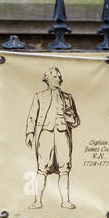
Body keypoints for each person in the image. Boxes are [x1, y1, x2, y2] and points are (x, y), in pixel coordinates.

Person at [25, 66, 80, 209]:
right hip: (45, 135)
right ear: (47, 79)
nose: (59, 79)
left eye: (59, 77)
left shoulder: (68, 98)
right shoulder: (39, 96)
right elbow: (32, 116)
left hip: (62, 134)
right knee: (41, 169)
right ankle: (38, 201)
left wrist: (70, 116)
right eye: (56, 76)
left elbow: (76, 122)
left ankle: (65, 201)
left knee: (65, 168)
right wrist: (30, 133)